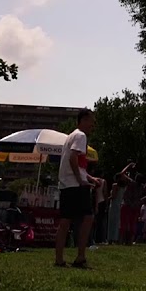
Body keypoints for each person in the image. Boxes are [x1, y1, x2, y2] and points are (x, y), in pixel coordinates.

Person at [55, 110, 100, 268]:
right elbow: (73, 158)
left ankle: (59, 259)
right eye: (91, 121)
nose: (92, 125)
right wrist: (81, 180)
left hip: (67, 184)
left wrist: (89, 177)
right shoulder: (81, 136)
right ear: (83, 120)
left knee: (65, 221)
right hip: (75, 185)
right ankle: (80, 256)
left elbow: (77, 164)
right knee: (87, 218)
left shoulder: (71, 136)